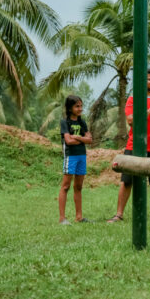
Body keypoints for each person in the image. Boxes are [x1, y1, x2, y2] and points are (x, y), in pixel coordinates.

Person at [108, 69, 150, 223]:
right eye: (149, 79)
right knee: (127, 181)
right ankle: (119, 215)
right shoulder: (133, 100)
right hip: (134, 146)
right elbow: (132, 120)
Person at [58, 95, 93, 224]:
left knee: (78, 186)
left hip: (81, 156)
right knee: (66, 186)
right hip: (70, 157)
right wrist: (81, 139)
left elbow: (89, 140)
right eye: (77, 106)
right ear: (70, 108)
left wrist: (77, 137)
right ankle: (62, 218)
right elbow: (68, 141)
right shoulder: (65, 122)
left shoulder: (82, 122)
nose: (80, 109)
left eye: (81, 106)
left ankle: (79, 217)